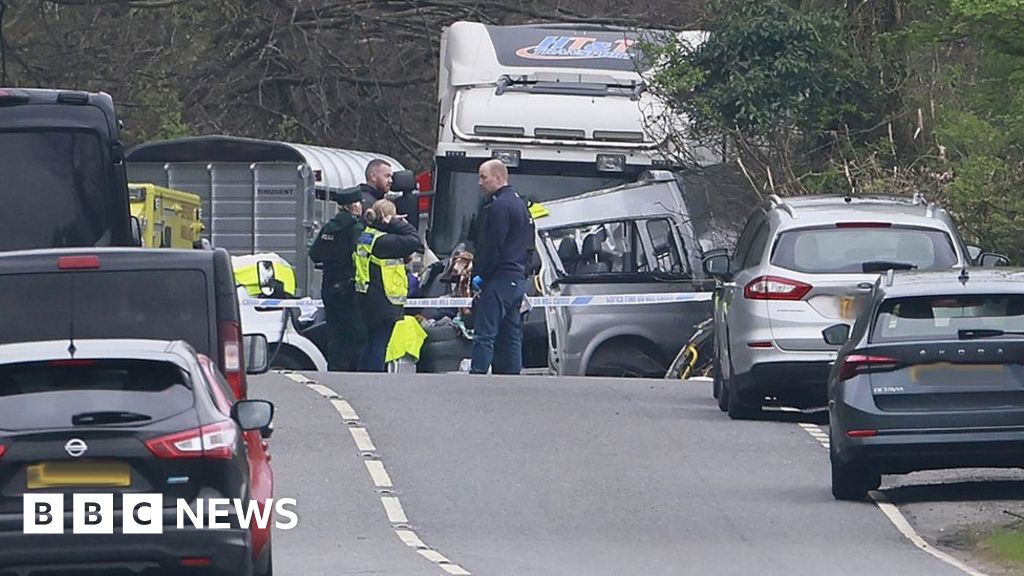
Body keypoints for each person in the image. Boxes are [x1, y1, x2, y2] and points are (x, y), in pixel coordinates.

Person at [469, 159, 533, 375]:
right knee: (510, 333)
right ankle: (511, 376)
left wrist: (480, 274)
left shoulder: (498, 206)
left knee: (485, 332)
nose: (480, 183)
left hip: (499, 277)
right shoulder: (519, 203)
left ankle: (478, 373)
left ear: (498, 177)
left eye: (483, 177)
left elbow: (492, 244)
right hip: (516, 279)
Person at [354, 199, 423, 372]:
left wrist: (391, 224)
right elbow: (415, 240)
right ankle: (375, 378)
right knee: (380, 344)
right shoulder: (384, 242)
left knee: (370, 342)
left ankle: (363, 376)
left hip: (366, 296)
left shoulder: (367, 235)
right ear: (387, 217)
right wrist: (396, 222)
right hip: (384, 298)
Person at [308, 188, 366, 371]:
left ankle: (335, 369)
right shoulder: (356, 228)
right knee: (357, 332)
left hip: (329, 286)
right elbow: (361, 256)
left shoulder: (329, 227)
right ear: (354, 206)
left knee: (335, 333)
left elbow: (315, 254)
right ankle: (354, 370)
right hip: (349, 287)